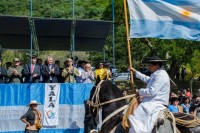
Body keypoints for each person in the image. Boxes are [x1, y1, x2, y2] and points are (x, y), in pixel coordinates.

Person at [128, 56, 170, 133]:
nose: (148, 67)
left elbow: (152, 91)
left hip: (155, 103)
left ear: (157, 65)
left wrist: (139, 91)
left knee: (133, 116)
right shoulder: (157, 73)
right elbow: (148, 80)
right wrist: (135, 72)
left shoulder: (161, 75)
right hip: (151, 101)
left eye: (150, 65)